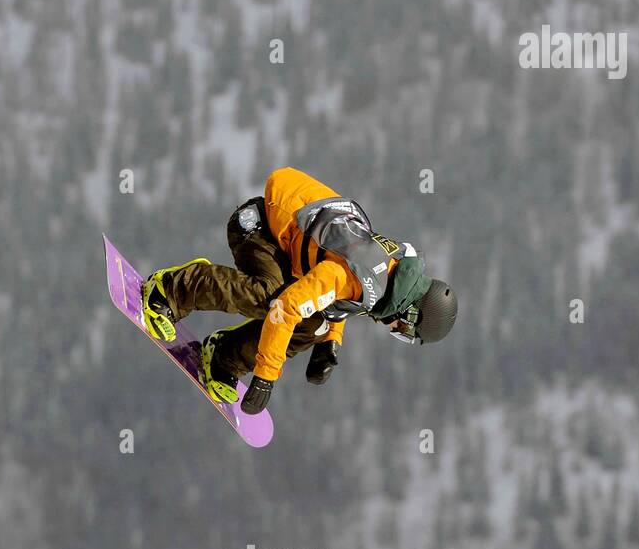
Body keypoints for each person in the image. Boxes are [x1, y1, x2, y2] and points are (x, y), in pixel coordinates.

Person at [142, 166, 457, 415]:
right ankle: (168, 290)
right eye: (403, 329)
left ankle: (223, 358)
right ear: (409, 310)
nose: (394, 330)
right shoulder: (365, 276)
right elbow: (291, 304)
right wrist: (266, 376)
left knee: (315, 325)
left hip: (287, 250)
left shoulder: (388, 274)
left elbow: (335, 295)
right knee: (269, 296)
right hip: (259, 229)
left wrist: (329, 343)